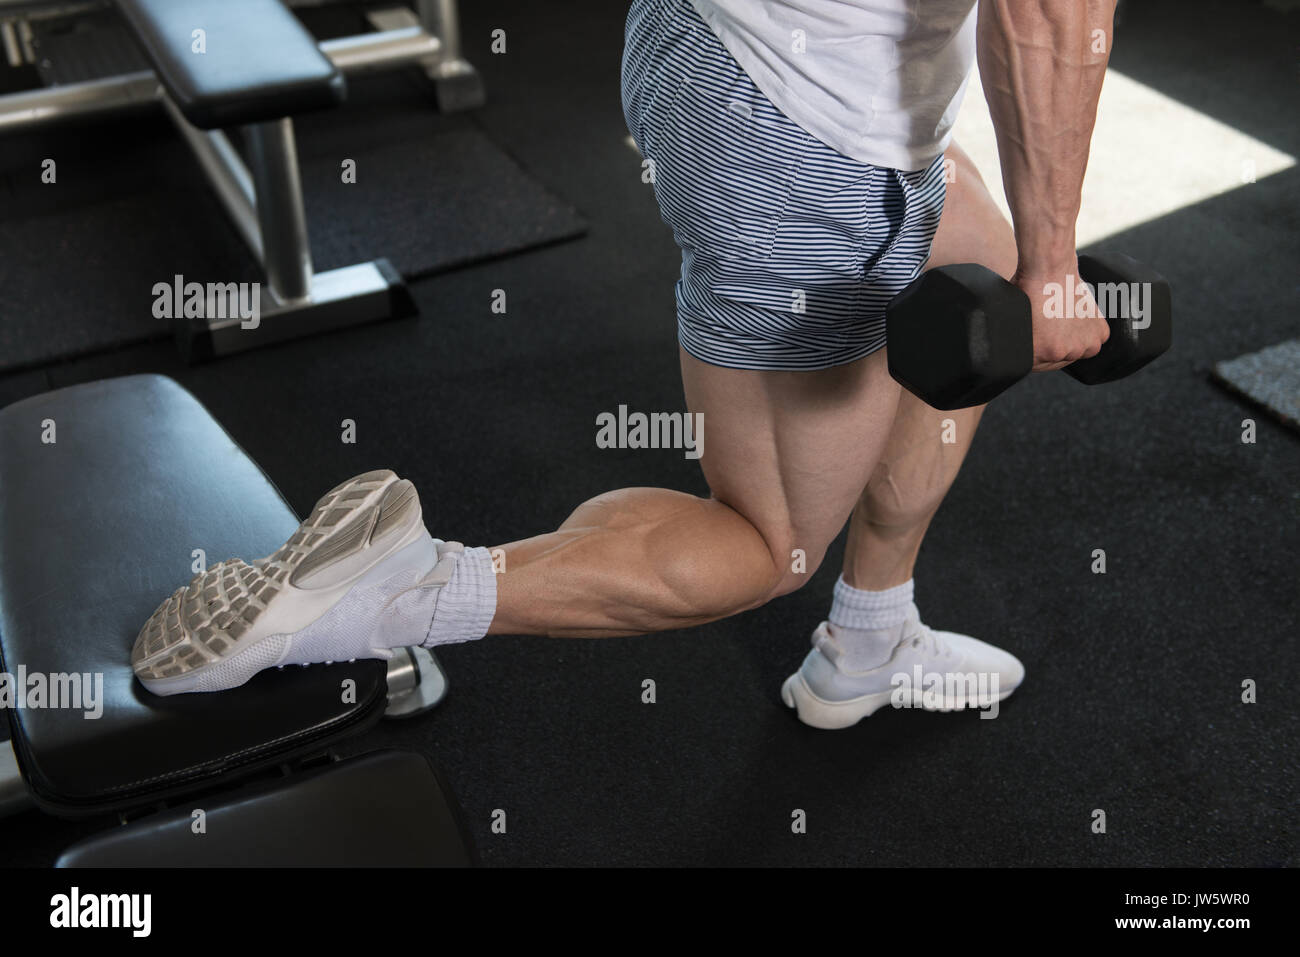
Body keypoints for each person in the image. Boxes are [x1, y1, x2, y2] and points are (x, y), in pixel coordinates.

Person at [133, 0, 1114, 728]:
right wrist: (1056, 265)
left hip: (707, 42)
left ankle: (870, 638)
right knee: (770, 543)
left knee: (968, 241)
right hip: (809, 128)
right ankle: (402, 591)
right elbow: (1048, 14)